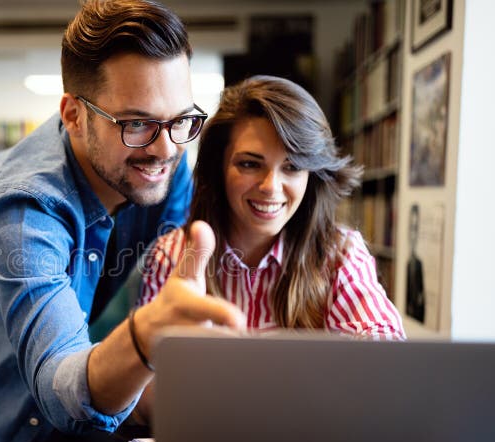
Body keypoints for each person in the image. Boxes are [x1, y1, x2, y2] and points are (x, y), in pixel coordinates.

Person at [0, 1, 243, 442]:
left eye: (179, 121)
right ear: (74, 116)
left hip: (59, 340)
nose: (166, 148)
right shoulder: (26, 210)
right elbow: (63, 382)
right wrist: (142, 339)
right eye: (135, 123)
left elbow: (171, 274)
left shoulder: (166, 157)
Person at [139, 75, 405, 339]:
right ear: (218, 169)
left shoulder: (340, 254)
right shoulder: (172, 257)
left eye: (292, 167)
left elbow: (386, 353)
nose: (271, 186)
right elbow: (148, 376)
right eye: (249, 164)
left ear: (312, 175)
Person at [405, 203, 425, 322]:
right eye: (411, 228)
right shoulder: (407, 265)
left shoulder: (418, 264)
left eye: (416, 229)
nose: (413, 234)